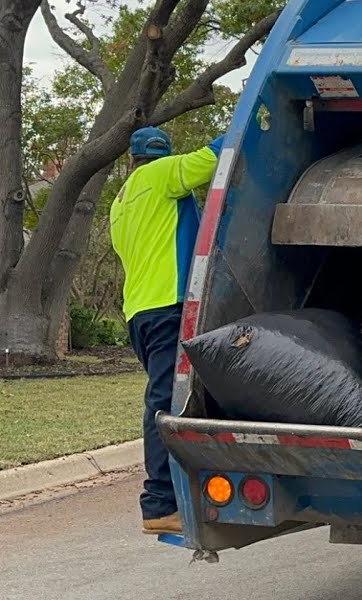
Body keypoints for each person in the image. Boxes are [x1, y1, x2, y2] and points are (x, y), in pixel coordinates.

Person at [110, 127, 223, 535]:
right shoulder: (162, 176)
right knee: (161, 404)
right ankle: (158, 503)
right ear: (163, 155)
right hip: (166, 307)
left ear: (131, 159)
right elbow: (216, 156)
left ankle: (181, 491)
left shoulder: (120, 202)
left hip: (139, 313)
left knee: (173, 399)